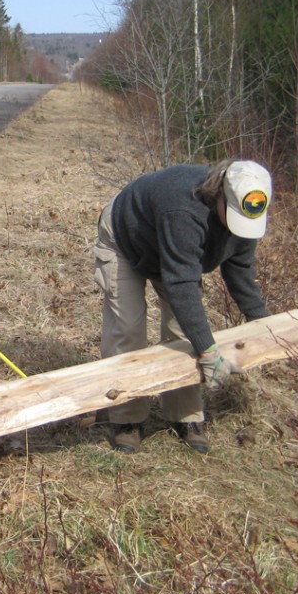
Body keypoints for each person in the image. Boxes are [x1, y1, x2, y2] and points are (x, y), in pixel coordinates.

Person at [92, 159, 272, 454]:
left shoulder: (247, 209)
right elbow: (181, 284)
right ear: (220, 197)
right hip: (126, 236)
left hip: (170, 251)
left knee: (183, 334)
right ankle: (126, 419)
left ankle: (185, 416)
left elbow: (239, 270)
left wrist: (265, 324)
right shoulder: (184, 209)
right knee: (128, 330)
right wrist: (209, 350)